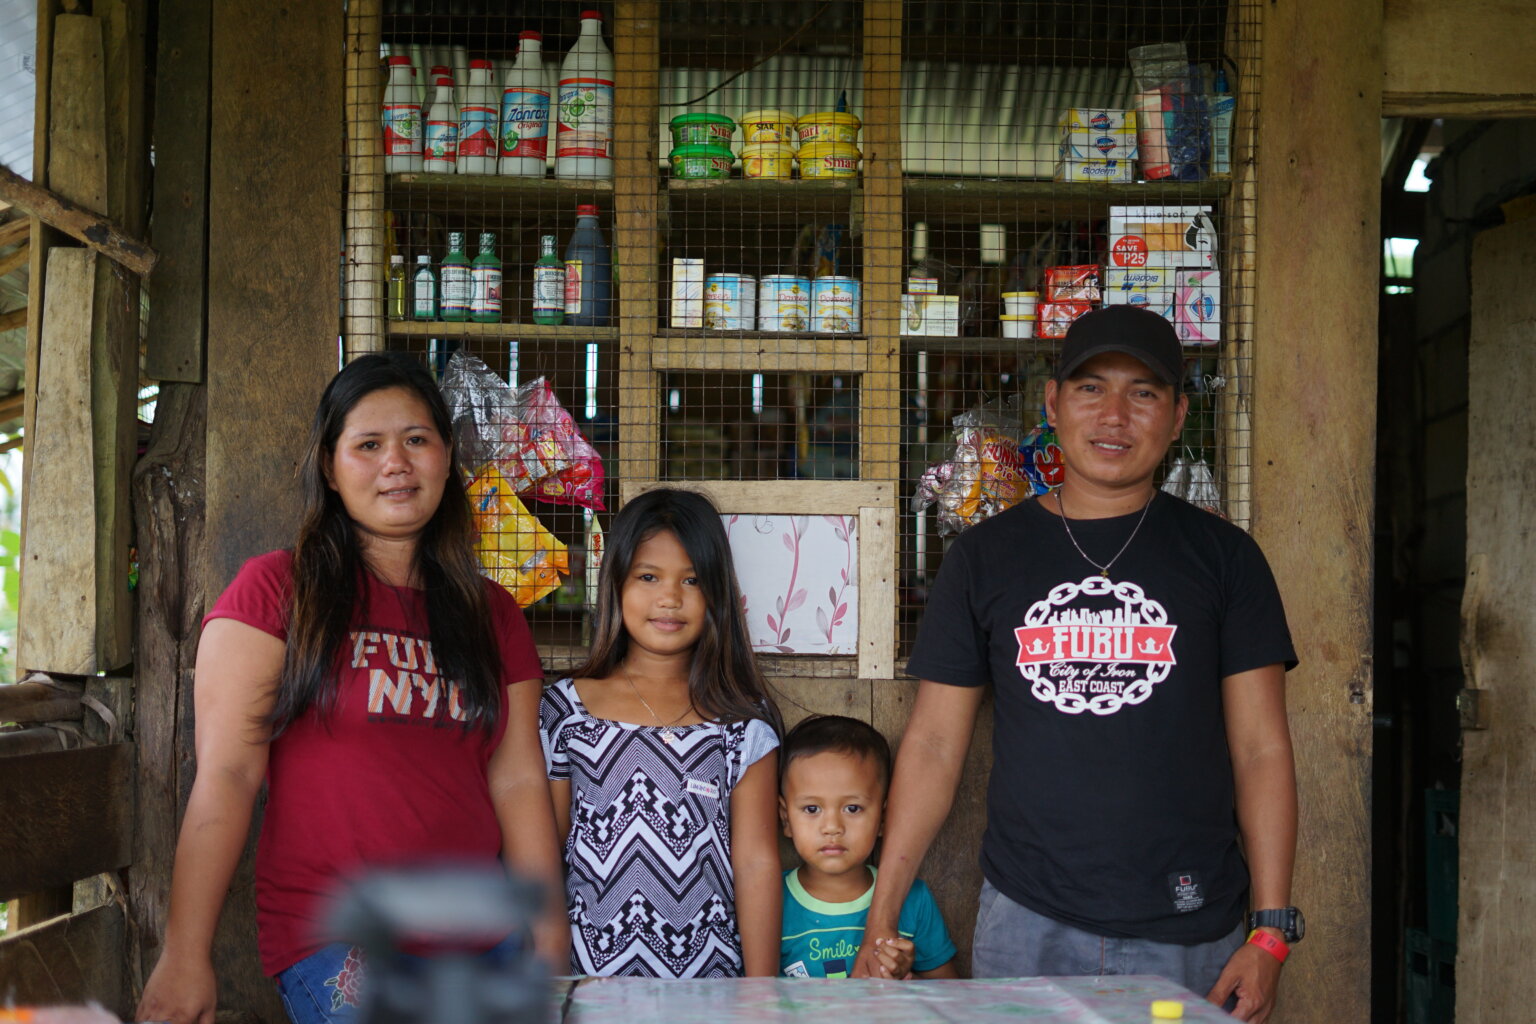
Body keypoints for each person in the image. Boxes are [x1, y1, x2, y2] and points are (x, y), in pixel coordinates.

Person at [854, 305, 1300, 1024]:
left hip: (1192, 927)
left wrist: (1270, 933)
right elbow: (933, 744)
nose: (1114, 415)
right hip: (1029, 923)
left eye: (1143, 392)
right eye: (1092, 388)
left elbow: (1261, 748)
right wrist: (883, 915)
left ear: (1178, 416)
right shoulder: (984, 558)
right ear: (1053, 404)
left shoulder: (1226, 559)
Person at [135, 354, 566, 1024]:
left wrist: (549, 941)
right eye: (368, 445)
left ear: (447, 459)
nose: (396, 463)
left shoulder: (493, 615)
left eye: (417, 439)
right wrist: (185, 954)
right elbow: (227, 775)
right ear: (330, 468)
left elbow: (517, 783)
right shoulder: (276, 591)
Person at [540, 487, 783, 977]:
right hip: (591, 987)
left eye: (692, 580)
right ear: (615, 583)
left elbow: (756, 865)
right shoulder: (566, 711)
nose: (670, 598)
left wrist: (761, 993)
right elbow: (543, 855)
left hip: (711, 990)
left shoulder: (740, 724)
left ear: (717, 593)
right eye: (648, 576)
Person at [777, 715, 957, 980]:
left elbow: (951, 992)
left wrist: (906, 980)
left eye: (853, 808)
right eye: (812, 809)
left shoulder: (912, 900)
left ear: (884, 819)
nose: (832, 827)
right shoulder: (773, 901)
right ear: (785, 818)